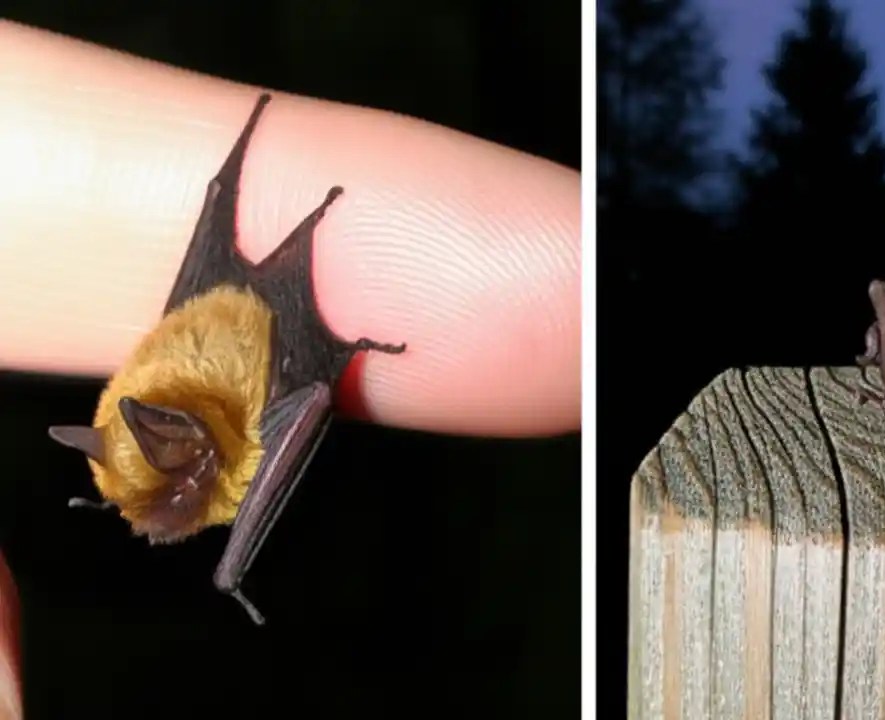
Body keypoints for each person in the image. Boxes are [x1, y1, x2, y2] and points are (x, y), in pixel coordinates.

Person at [0, 20, 582, 717]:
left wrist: (228, 572)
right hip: (231, 337)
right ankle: (255, 175)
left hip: (248, 357)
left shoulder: (214, 442)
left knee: (294, 373)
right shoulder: (179, 435)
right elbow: (284, 402)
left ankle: (256, 174)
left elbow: (306, 400)